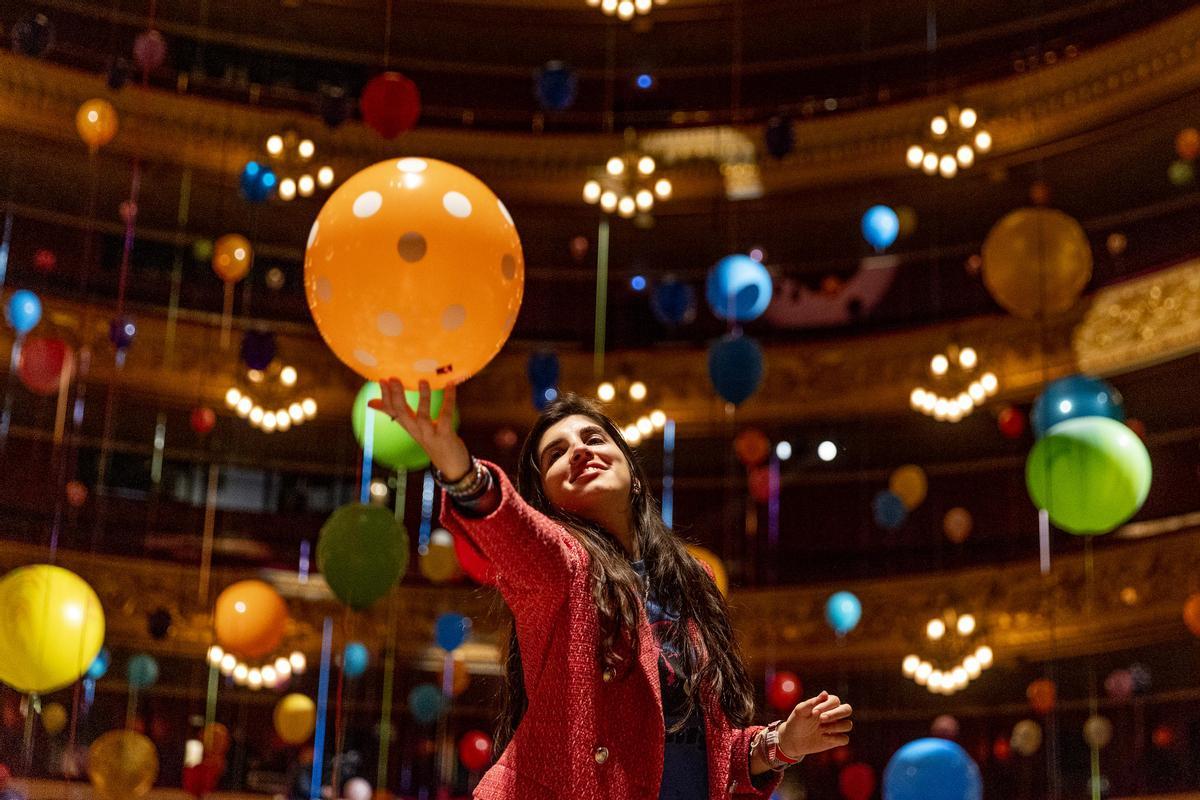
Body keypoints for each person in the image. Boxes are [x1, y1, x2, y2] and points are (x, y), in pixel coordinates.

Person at [370, 380, 853, 800]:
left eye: (593, 438)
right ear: (548, 504)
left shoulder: (692, 582)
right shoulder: (561, 566)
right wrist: (459, 469)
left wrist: (782, 743)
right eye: (556, 454)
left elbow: (701, 750)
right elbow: (514, 532)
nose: (579, 451)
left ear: (634, 475)